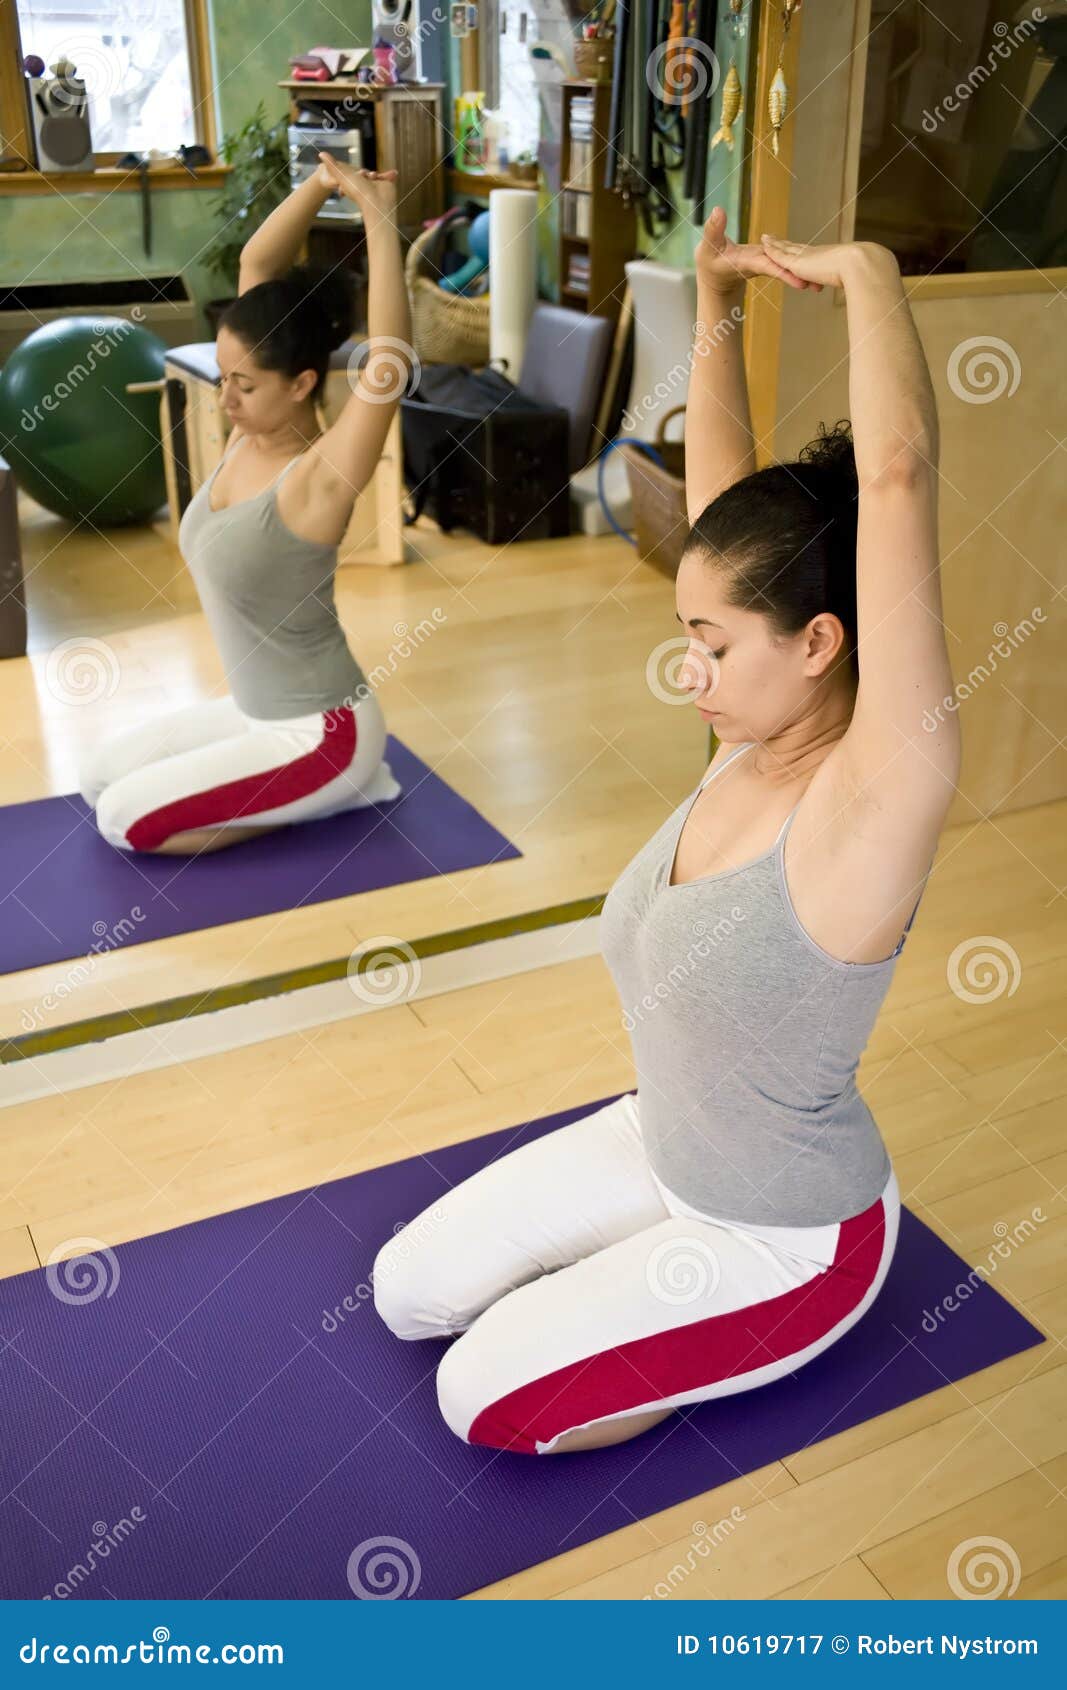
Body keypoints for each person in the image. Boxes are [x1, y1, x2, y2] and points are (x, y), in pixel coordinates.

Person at [371, 208, 962, 1456]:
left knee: (481, 1398)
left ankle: (739, 1313)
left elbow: (896, 478)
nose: (686, 669)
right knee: (403, 1290)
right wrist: (713, 295)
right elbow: (723, 500)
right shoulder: (748, 733)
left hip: (784, 1231)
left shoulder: (875, 799)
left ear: (819, 642)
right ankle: (632, 1274)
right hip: (661, 1136)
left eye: (711, 645)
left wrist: (867, 275)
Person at [79, 155, 412, 855]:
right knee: (98, 777)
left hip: (322, 731)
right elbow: (259, 260)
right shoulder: (245, 430)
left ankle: (336, 792)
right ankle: (311, 794)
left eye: (245, 385)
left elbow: (390, 363)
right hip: (253, 711)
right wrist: (322, 183)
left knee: (125, 822)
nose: (225, 398)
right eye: (224, 376)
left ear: (302, 385)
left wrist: (380, 219)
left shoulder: (318, 476)